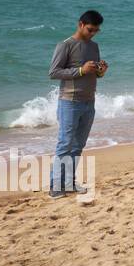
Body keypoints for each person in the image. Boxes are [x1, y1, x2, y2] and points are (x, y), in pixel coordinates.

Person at [47, 10, 107, 197]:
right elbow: (54, 73)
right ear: (81, 24)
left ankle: (69, 183)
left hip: (89, 101)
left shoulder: (94, 46)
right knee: (65, 144)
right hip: (69, 102)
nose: (93, 33)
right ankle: (55, 186)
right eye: (90, 29)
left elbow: (94, 73)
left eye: (96, 30)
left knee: (78, 145)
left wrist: (101, 71)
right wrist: (81, 70)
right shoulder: (65, 45)